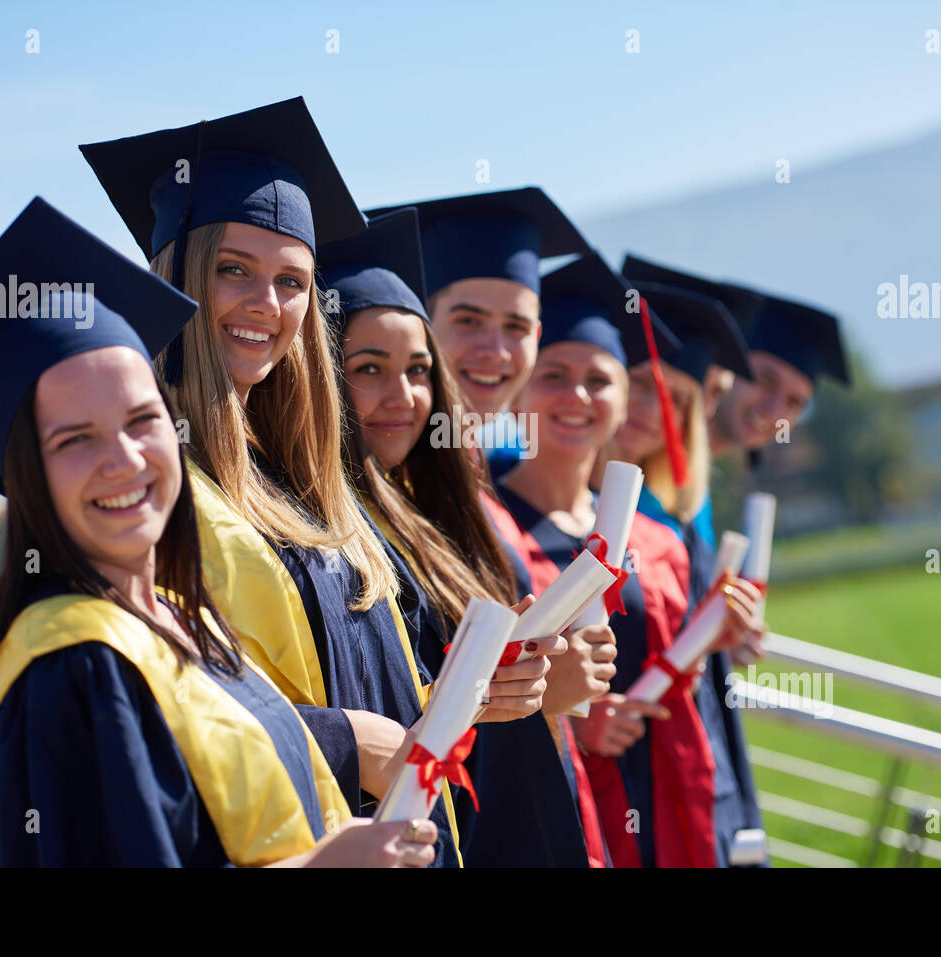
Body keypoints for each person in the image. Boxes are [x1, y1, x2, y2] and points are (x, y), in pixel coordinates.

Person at [0, 198, 436, 866]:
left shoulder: (183, 620)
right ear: (26, 474)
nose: (125, 459)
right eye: (75, 438)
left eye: (141, 420)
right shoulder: (74, 665)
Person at [81, 99, 475, 866]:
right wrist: (334, 739)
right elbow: (141, 709)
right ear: (178, 277)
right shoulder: (138, 487)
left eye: (293, 281)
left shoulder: (310, 483)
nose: (267, 305)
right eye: (234, 270)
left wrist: (473, 691)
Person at [318, 207, 605, 866]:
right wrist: (530, 697)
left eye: (418, 370)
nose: (402, 394)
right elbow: (405, 721)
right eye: (367, 367)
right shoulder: (336, 534)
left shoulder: (439, 503)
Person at [486, 252, 762, 867]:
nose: (577, 396)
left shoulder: (655, 541)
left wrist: (715, 633)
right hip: (552, 810)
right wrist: (564, 718)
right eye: (553, 374)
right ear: (521, 382)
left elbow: (668, 682)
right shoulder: (483, 530)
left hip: (659, 797)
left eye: (603, 380)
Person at [621, 252, 851, 866]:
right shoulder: (633, 489)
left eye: (796, 401)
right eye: (764, 380)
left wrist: (720, 629)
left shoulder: (692, 496)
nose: (775, 407)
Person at [367, 187, 590, 462]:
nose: (496, 352)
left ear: (537, 336)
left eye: (516, 327)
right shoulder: (376, 475)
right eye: (469, 321)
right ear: (421, 326)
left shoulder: (477, 478)